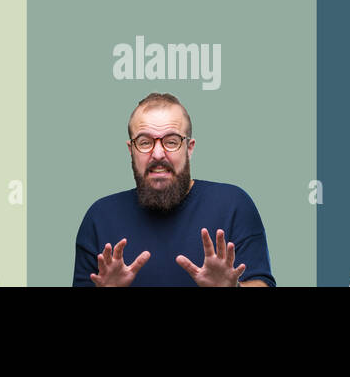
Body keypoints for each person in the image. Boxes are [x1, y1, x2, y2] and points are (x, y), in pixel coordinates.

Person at [73, 93, 274, 287]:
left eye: (171, 141)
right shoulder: (99, 217)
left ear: (189, 148)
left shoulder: (233, 205)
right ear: (131, 150)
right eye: (144, 142)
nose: (158, 154)